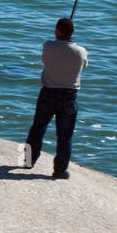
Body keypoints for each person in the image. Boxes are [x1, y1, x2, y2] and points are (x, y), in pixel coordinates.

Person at [24, 17, 87, 179]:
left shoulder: (48, 46)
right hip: (69, 96)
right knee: (65, 136)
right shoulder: (81, 51)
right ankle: (60, 170)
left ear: (57, 30)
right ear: (72, 32)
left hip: (48, 93)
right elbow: (83, 67)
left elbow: (45, 60)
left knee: (37, 128)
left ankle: (28, 161)